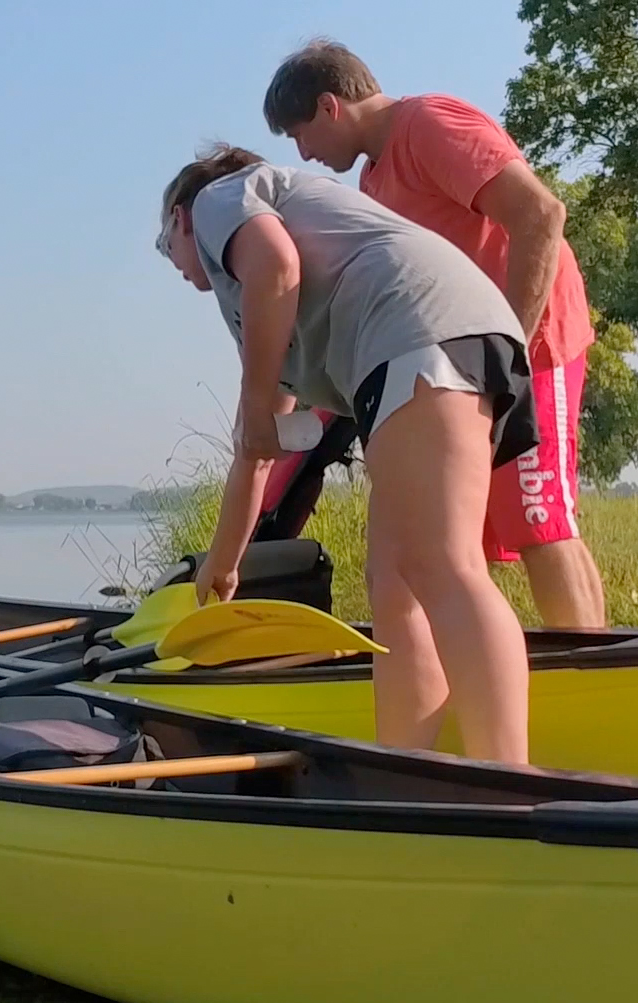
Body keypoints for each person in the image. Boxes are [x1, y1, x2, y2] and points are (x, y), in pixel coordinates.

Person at [157, 143, 534, 764]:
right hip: (443, 334)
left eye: (164, 243)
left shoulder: (219, 199)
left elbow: (277, 265)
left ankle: (508, 780)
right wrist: (223, 567)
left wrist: (255, 401)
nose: (173, 259)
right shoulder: (260, 309)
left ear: (180, 218)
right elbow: (256, 452)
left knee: (443, 564)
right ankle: (403, 767)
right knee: (394, 582)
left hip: (416, 330)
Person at [259, 39, 609, 631]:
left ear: (328, 107)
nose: (303, 153)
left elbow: (541, 214)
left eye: (299, 134)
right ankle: (472, 672)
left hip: (532, 343)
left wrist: (510, 354)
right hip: (465, 365)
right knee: (452, 539)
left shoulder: (427, 124)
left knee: (537, 519)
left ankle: (595, 671)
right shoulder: (373, 182)